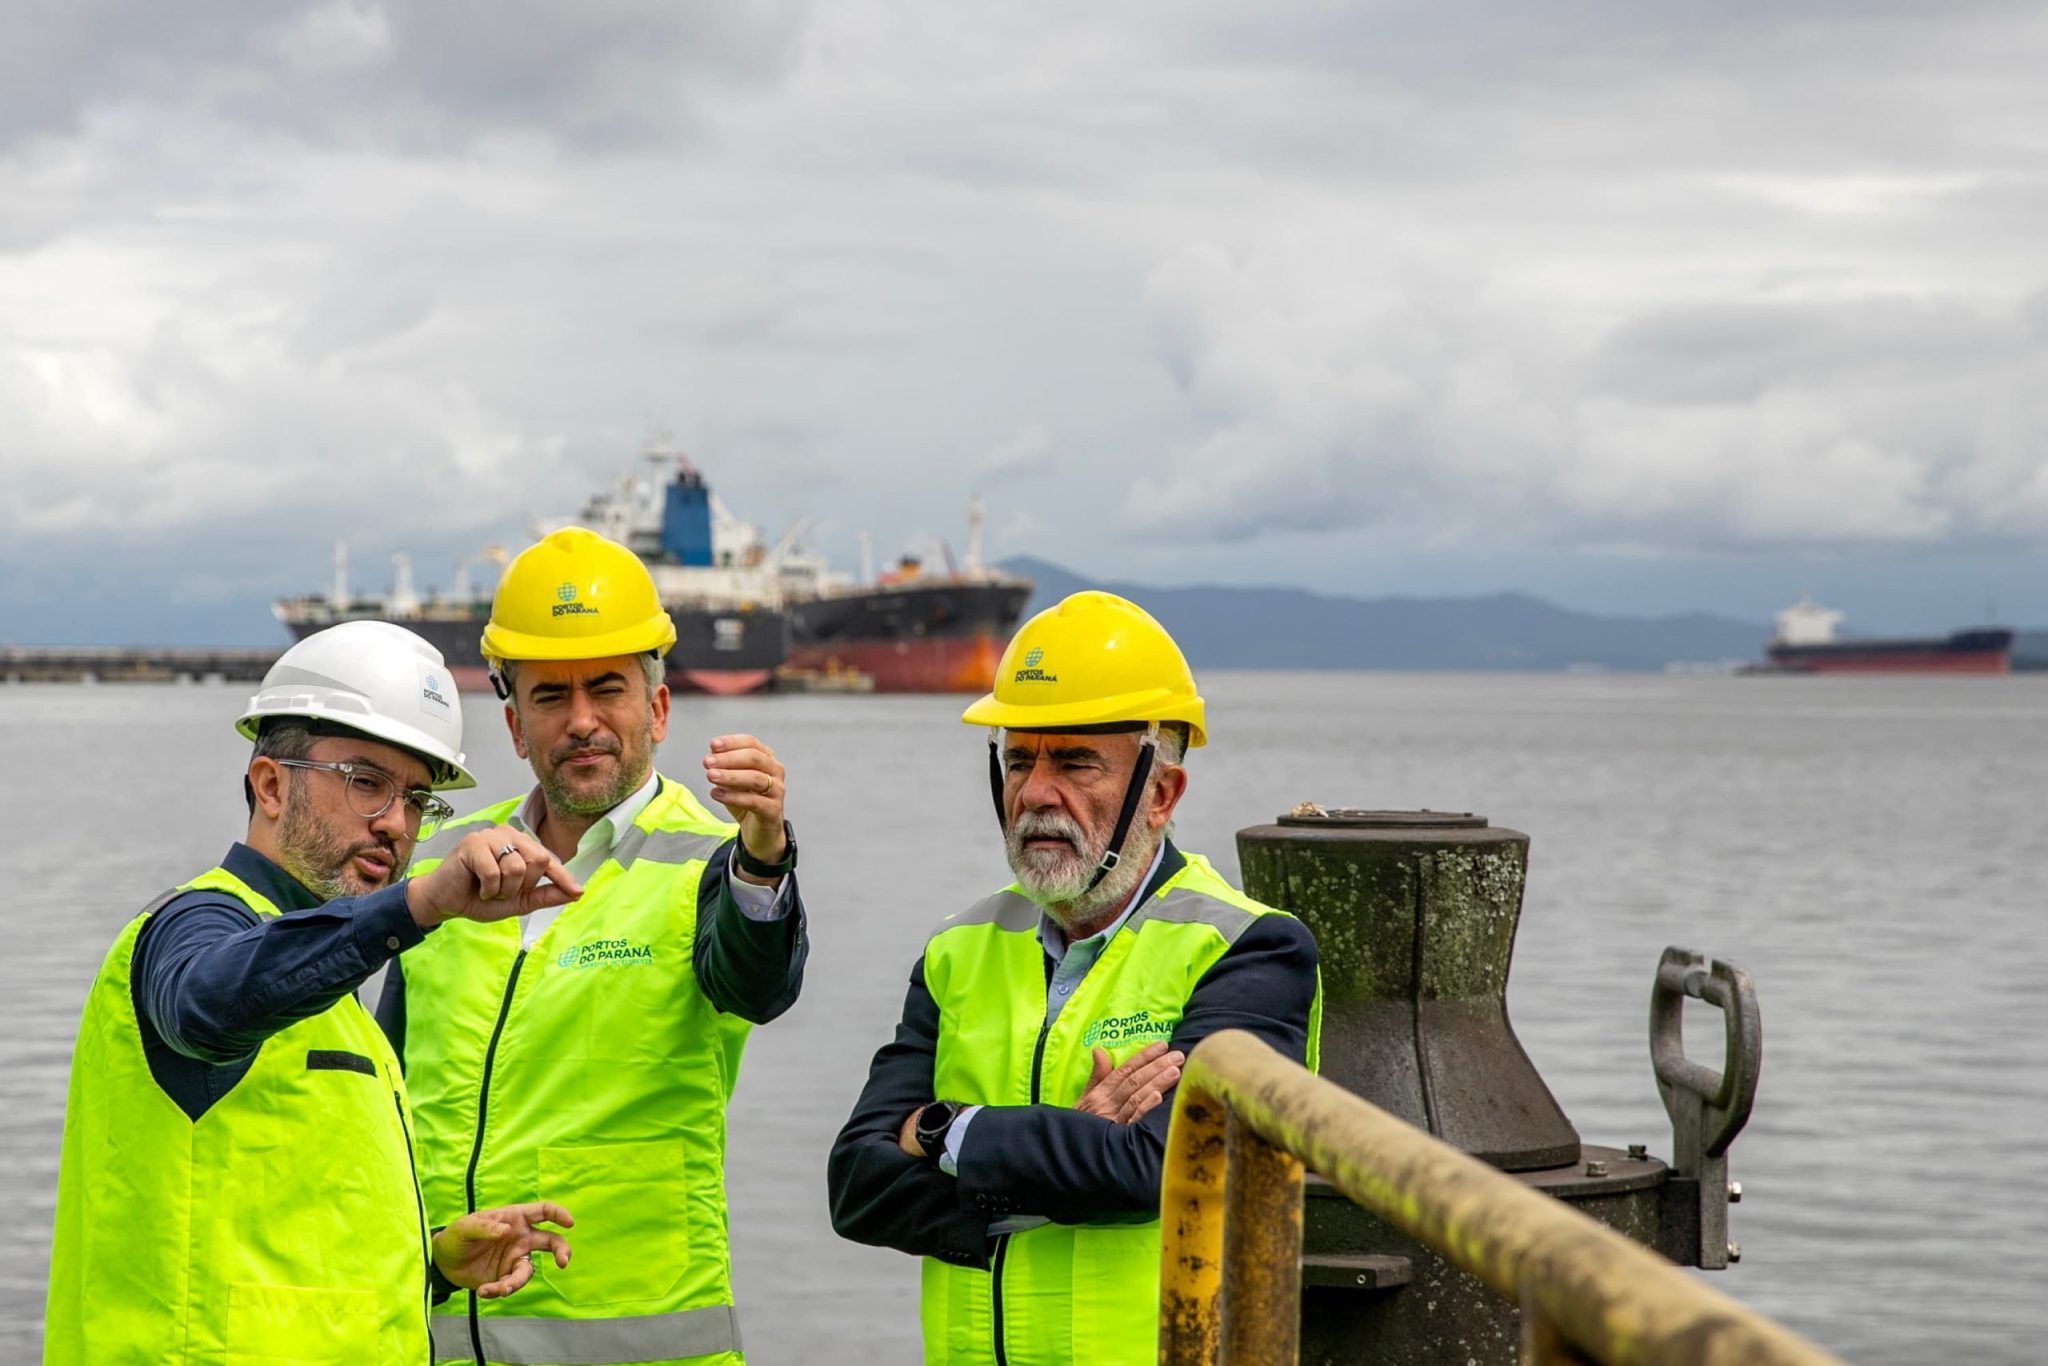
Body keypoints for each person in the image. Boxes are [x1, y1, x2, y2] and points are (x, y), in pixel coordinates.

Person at [46, 621, 581, 1365]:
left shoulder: (334, 991)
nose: (396, 824)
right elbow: (207, 1005)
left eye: (418, 800)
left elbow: (280, 1236)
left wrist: (428, 1265)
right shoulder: (193, 925)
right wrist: (422, 902)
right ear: (270, 784)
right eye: (366, 783)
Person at [827, 591, 1322, 1364]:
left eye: (1075, 761)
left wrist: (940, 1131)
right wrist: (1066, 1154)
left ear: (1160, 793)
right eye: (1019, 758)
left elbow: (1155, 1168)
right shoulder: (959, 949)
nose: (1035, 793)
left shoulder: (1249, 951)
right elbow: (856, 1184)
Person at [379, 526, 807, 1366]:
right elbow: (384, 1098)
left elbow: (757, 982)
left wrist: (764, 854)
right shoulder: (442, 866)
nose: (581, 722)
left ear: (657, 707)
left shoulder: (710, 860)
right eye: (550, 697)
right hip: (434, 1338)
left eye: (606, 689)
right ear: (512, 723)